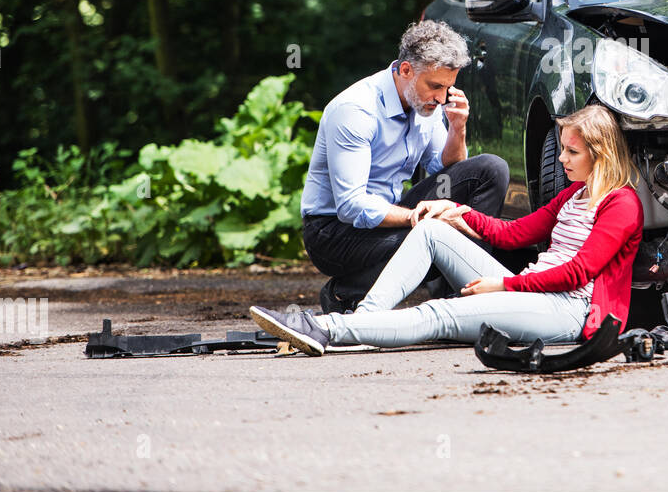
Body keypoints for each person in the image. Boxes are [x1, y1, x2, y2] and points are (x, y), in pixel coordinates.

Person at [251, 104, 643, 355]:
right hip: (531, 288)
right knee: (431, 230)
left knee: (440, 313)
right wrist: (456, 211)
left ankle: (325, 329)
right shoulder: (575, 195)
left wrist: (503, 286)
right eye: (563, 148)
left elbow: (578, 273)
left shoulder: (621, 205)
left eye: (572, 152)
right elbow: (514, 234)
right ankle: (364, 323)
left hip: (568, 310)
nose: (561, 159)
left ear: (601, 154)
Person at [299, 20, 508, 314]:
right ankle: (345, 294)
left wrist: (457, 128)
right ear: (406, 70)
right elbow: (351, 206)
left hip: (388, 214)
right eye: (435, 86)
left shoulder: (427, 103)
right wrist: (417, 218)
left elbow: (448, 171)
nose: (441, 97)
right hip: (333, 232)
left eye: (448, 87)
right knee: (435, 236)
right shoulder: (355, 110)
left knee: (489, 169)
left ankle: (467, 296)